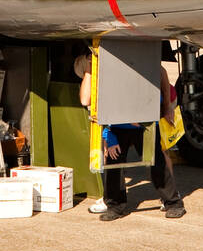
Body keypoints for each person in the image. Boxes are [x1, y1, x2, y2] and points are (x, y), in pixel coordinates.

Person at [77, 53, 185, 220]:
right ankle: (115, 206)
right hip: (118, 126)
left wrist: (167, 108)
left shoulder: (134, 62)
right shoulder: (98, 73)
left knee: (157, 163)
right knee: (113, 164)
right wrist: (91, 69)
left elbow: (160, 73)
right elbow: (85, 100)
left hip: (144, 122)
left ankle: (173, 202)